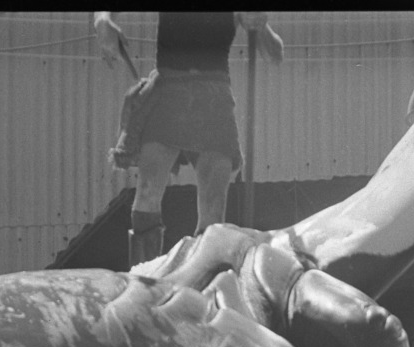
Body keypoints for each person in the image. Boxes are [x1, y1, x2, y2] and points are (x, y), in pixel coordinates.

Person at [94, 12, 284, 266]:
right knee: (148, 191)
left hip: (213, 100)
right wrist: (102, 20)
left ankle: (202, 284)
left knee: (214, 212)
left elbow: (275, 54)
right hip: (170, 93)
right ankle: (142, 281)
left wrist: (261, 27)